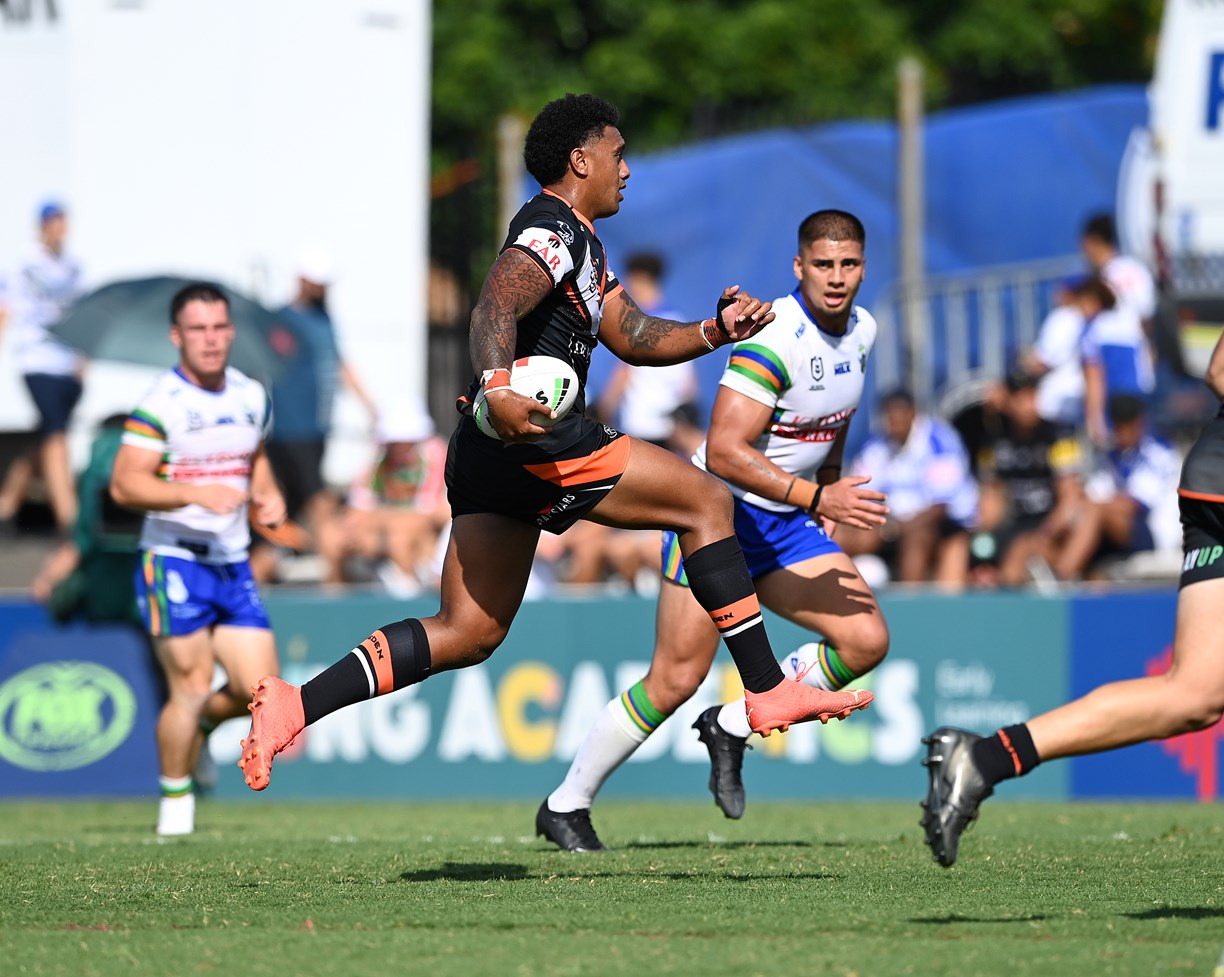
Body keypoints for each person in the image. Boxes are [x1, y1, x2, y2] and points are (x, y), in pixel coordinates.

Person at [236, 94, 874, 795]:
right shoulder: (552, 231)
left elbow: (633, 336)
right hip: (536, 437)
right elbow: (495, 304)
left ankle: (299, 702)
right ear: (582, 160)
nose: (627, 170)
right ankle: (765, 686)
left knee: (466, 632)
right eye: (618, 154)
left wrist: (715, 330)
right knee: (704, 499)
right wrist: (501, 385)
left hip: (488, 448)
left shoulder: (585, 246)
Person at [537, 209, 887, 851]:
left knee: (864, 641)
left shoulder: (863, 329)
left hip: (786, 524)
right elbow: (723, 452)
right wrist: (818, 491)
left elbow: (831, 422)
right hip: (717, 521)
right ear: (798, 267)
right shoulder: (775, 335)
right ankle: (566, 804)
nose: (837, 278)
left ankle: (731, 723)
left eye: (850, 264)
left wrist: (825, 492)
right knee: (673, 679)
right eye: (824, 265)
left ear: (864, 266)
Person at [921, 327, 1224, 868]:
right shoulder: (1002, 442)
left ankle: (984, 759)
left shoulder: (1050, 437)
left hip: (1209, 479)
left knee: (1192, 695)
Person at [110, 282, 286, 836]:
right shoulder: (161, 401)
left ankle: (199, 729)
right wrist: (196, 493)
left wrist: (268, 493)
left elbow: (252, 459)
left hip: (232, 562)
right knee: (187, 686)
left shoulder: (252, 395)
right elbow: (124, 485)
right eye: (197, 329)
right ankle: (176, 806)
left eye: (218, 328)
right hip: (173, 560)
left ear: (230, 332)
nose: (210, 340)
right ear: (177, 336)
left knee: (265, 694)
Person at [251, 247, 377, 582]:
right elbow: (259, 364)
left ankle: (264, 580)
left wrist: (369, 406)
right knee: (319, 505)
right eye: (318, 283)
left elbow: (338, 363)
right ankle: (333, 588)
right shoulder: (281, 321)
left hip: (316, 432)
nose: (324, 290)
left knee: (282, 517)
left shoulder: (324, 319)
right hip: (291, 431)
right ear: (302, 281)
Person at [0, 201, 86, 535]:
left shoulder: (74, 266)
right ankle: (71, 522)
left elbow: (81, 315)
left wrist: (83, 357)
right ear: (42, 225)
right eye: (52, 221)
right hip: (35, 358)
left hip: (66, 363)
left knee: (47, 435)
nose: (58, 227)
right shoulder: (23, 262)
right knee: (57, 435)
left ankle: (6, 503)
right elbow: (5, 306)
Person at [838, 387, 978, 588]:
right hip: (889, 523)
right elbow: (860, 495)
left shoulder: (940, 441)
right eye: (889, 416)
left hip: (941, 524)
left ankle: (910, 607)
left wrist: (894, 528)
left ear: (912, 413)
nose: (893, 423)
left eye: (899, 415)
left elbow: (940, 507)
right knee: (844, 534)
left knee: (916, 538)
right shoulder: (875, 445)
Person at [315, 397, 449, 593]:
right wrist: (355, 525)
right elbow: (359, 502)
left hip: (419, 535)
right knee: (331, 534)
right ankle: (336, 599)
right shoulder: (380, 455)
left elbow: (426, 511)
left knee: (399, 535)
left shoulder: (435, 453)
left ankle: (410, 594)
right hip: (380, 529)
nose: (396, 447)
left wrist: (378, 518)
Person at [970, 370, 1086, 588]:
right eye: (1021, 397)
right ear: (1007, 401)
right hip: (1012, 529)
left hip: (1050, 531)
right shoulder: (993, 443)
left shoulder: (1059, 437)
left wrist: (1043, 534)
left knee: (1019, 556)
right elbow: (990, 504)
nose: (1029, 404)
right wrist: (982, 546)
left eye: (1033, 395)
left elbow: (1070, 501)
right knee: (972, 557)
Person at [1048, 393, 1182, 581]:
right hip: (1117, 530)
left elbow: (1132, 505)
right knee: (1059, 525)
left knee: (1093, 511)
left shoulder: (1160, 452)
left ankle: (1061, 576)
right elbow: (1092, 494)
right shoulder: (1112, 455)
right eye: (1119, 424)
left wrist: (1083, 505)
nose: (1123, 430)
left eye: (1128, 424)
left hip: (1155, 534)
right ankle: (1045, 572)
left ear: (1140, 422)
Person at [596, 252, 699, 447]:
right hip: (671, 428)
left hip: (640, 425)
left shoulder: (638, 327)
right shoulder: (678, 322)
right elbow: (689, 382)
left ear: (639, 278)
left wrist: (604, 409)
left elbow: (623, 374)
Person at [1071, 275, 1154, 448]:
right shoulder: (1129, 322)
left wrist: (1094, 419)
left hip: (1113, 405)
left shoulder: (1091, 330)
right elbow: (1149, 358)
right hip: (1140, 398)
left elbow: (1094, 376)